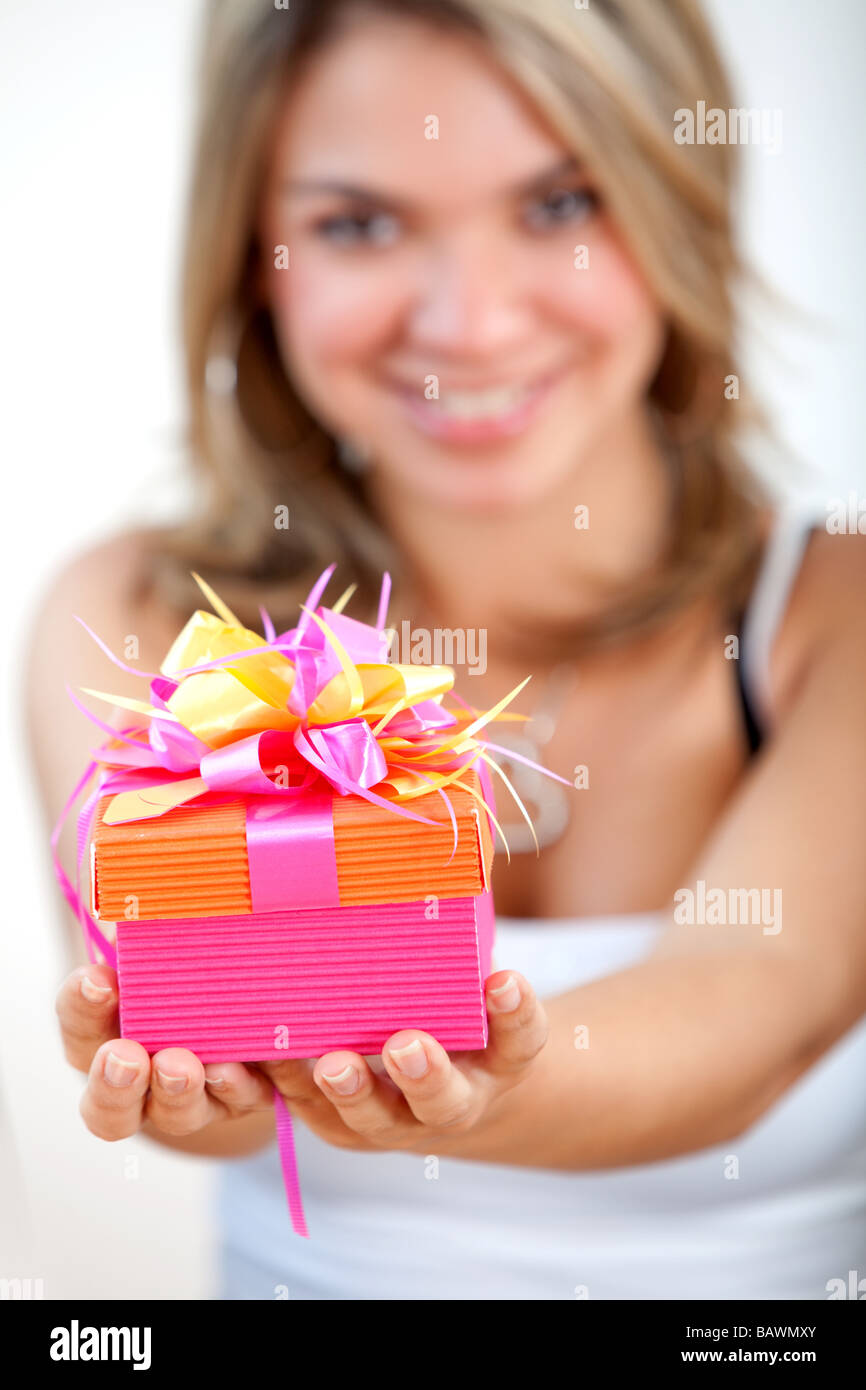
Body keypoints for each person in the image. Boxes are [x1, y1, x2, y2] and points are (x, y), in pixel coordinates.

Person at [30, 0, 866, 1300]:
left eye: (558, 204)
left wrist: (481, 1091)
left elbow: (759, 997)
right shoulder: (137, 616)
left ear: (674, 203)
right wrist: (210, 1067)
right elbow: (214, 1079)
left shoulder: (834, 611)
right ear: (252, 255)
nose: (470, 325)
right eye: (357, 224)